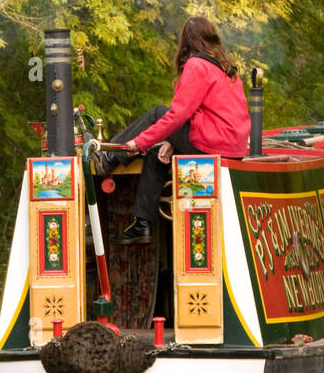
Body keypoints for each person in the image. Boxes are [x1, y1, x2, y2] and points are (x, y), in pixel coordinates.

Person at [101, 17, 250, 243]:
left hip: (212, 145)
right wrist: (171, 141)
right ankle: (143, 223)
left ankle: (109, 157)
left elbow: (178, 114)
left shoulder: (197, 66)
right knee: (156, 156)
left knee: (158, 112)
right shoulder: (228, 70)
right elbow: (211, 114)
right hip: (233, 148)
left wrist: (138, 142)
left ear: (187, 41)